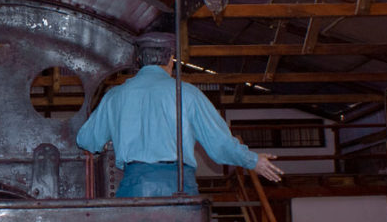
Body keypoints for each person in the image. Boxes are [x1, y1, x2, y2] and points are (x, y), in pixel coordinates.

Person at [76, 32, 283, 197]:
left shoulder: (115, 96)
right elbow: (219, 143)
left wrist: (109, 140)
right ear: (171, 61)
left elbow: (86, 140)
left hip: (135, 185)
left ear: (138, 61)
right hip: (179, 185)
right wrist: (253, 161)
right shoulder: (188, 94)